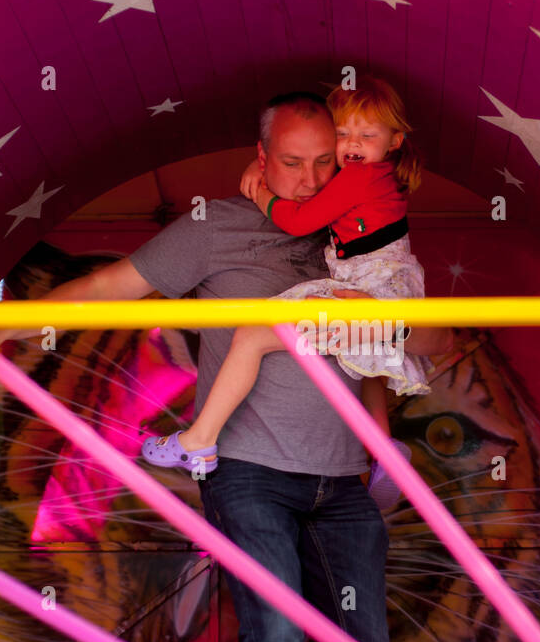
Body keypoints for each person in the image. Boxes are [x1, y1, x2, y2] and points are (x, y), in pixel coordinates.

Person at [0, 90, 452, 642]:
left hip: (341, 484)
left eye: (326, 162)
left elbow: (393, 348)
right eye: (295, 163)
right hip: (249, 475)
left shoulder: (354, 227)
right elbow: (108, 289)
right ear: (260, 160)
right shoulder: (214, 227)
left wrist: (382, 454)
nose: (310, 181)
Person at [140, 76, 429, 512]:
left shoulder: (358, 179)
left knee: (253, 335)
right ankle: (383, 447)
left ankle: (200, 438)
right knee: (361, 357)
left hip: (368, 286)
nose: (353, 145)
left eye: (366, 137)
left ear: (395, 141)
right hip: (381, 286)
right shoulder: (372, 176)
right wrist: (265, 165)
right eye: (343, 136)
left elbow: (299, 222)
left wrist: (262, 195)